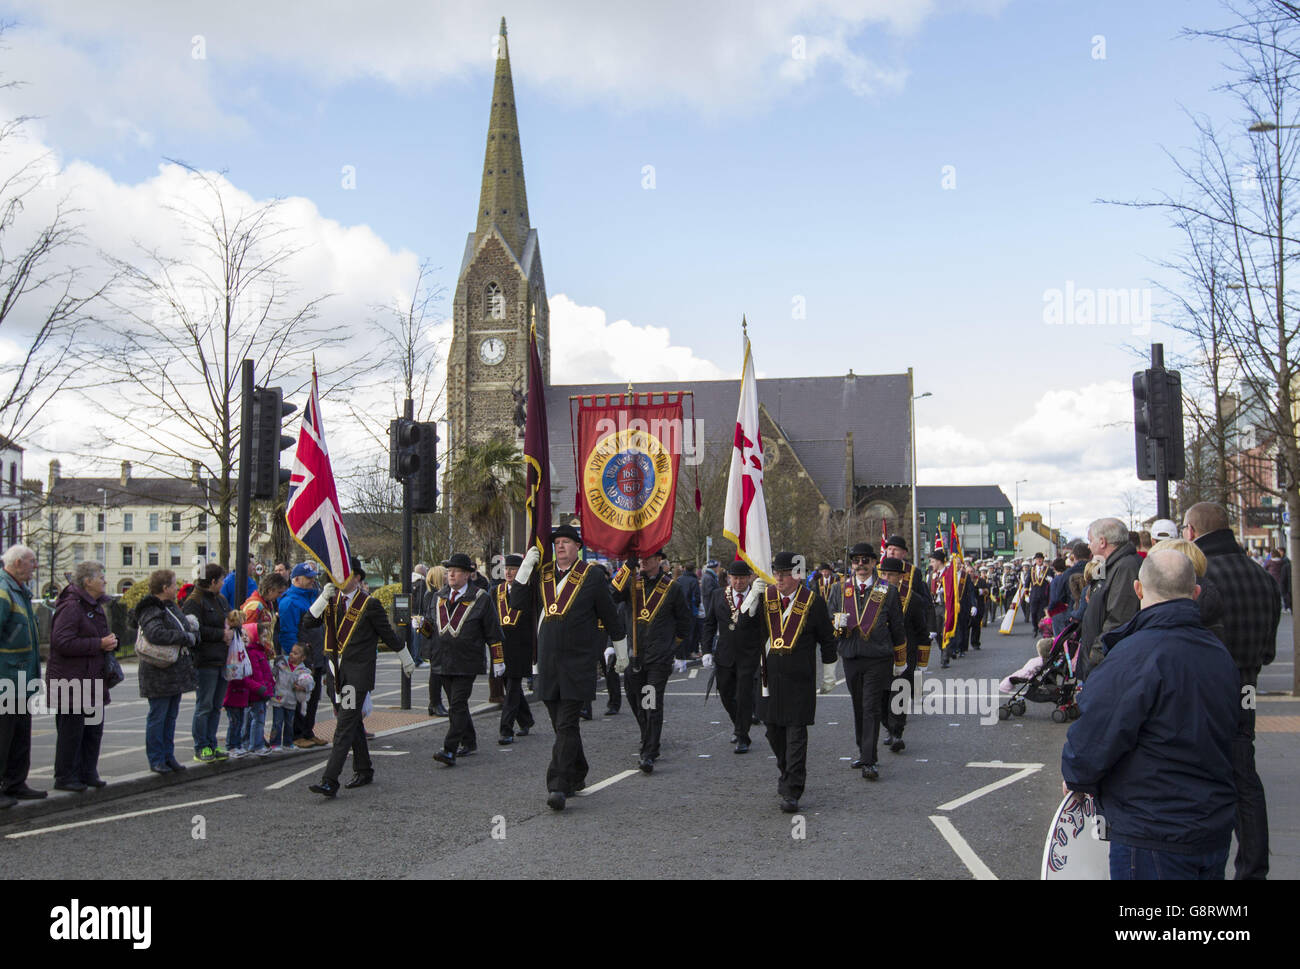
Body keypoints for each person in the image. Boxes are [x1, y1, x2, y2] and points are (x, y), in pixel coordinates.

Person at [1061, 550, 1240, 879]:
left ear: (1138, 589)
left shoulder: (1133, 655)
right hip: (1211, 825)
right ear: (1195, 592)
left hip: (1152, 828)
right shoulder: (1219, 653)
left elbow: (1097, 734)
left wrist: (1076, 775)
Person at [1185, 501, 1281, 880]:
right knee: (1245, 778)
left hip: (1207, 693)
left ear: (1191, 532)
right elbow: (1269, 650)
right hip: (1247, 686)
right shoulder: (1263, 578)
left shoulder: (1199, 578)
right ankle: (1253, 867)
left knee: (1196, 780)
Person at [509, 525, 626, 811]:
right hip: (548, 661)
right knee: (559, 723)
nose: (560, 546)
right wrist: (525, 570)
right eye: (557, 542)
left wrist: (620, 650)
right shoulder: (543, 574)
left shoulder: (592, 576)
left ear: (577, 547)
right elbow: (517, 604)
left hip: (578, 661)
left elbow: (609, 614)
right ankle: (578, 770)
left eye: (566, 542)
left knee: (567, 723)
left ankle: (558, 785)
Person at [305, 557, 415, 796]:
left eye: (345, 575)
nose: (339, 579)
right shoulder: (330, 601)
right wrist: (322, 598)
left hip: (357, 675)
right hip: (335, 674)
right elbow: (308, 623)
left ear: (357, 578)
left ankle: (329, 780)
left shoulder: (369, 604)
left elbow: (387, 633)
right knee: (352, 724)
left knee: (343, 726)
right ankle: (364, 769)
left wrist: (405, 656)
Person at [756, 551, 838, 812]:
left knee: (796, 736)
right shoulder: (765, 598)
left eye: (784, 574)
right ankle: (786, 772)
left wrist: (829, 675)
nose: (778, 578)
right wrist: (749, 600)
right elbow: (747, 633)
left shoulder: (813, 602)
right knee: (773, 732)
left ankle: (792, 790)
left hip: (799, 680)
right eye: (776, 573)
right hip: (769, 679)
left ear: (797, 575)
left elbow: (827, 639)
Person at [827, 543, 906, 780]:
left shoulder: (887, 591)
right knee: (859, 705)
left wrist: (900, 659)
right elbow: (830, 621)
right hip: (851, 656)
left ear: (874, 563)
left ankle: (870, 760)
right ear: (851, 564)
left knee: (871, 706)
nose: (860, 565)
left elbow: (898, 626)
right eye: (856, 561)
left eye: (865, 560)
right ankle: (864, 751)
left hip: (877, 657)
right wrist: (836, 626)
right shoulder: (839, 590)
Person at [611, 549, 691, 772]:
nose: (644, 561)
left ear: (659, 560)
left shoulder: (672, 588)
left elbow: (684, 622)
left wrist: (671, 647)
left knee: (651, 701)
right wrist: (627, 566)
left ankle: (649, 751)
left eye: (648, 557)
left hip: (658, 658)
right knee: (636, 699)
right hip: (634, 654)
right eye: (641, 558)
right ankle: (647, 736)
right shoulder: (631, 584)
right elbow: (612, 595)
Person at [47, 560, 118, 791]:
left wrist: (107, 644)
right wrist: (99, 643)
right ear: (88, 581)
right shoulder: (72, 606)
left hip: (92, 678)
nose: (104, 581)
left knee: (92, 730)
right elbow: (62, 642)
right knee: (72, 732)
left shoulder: (93, 605)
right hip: (72, 681)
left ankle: (88, 772)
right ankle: (66, 776)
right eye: (100, 577)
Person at [427, 553, 503, 766]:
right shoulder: (438, 597)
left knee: (457, 704)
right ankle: (469, 741)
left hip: (467, 661)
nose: (451, 574)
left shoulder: (481, 598)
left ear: (468, 575)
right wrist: (421, 628)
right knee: (456, 705)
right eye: (449, 570)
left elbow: (493, 632)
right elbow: (432, 630)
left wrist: (498, 660)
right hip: (443, 660)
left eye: (456, 571)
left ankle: (449, 749)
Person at [134, 569, 199, 773]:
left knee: (170, 716)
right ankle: (156, 758)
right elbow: (155, 633)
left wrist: (190, 632)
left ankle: (168, 756)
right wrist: (184, 637)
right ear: (164, 588)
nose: (176, 588)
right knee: (158, 716)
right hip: (158, 672)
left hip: (173, 671)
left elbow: (183, 627)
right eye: (173, 584)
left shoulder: (170, 606)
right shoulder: (151, 608)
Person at [703, 559, 764, 753]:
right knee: (726, 693)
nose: (738, 582)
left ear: (749, 578)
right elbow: (709, 624)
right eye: (735, 578)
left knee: (745, 695)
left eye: (742, 578)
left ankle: (742, 735)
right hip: (725, 653)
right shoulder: (718, 595)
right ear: (729, 578)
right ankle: (738, 724)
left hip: (749, 654)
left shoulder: (759, 597)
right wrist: (705, 650)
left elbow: (765, 626)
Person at [881, 536, 935, 752]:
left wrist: (923, 660)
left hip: (906, 646)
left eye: (896, 549)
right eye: (889, 549)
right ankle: (888, 726)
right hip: (881, 650)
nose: (892, 552)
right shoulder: (874, 593)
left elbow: (924, 606)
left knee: (900, 691)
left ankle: (896, 732)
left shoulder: (913, 590)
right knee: (883, 696)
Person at [0, 546, 45, 806]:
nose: (35, 566)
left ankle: (16, 784)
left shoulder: (18, 591)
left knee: (19, 734)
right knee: (4, 736)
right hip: (6, 677)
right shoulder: (4, 591)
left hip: (20, 679)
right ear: (18, 563)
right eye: (32, 561)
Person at [1079, 518, 1142, 674]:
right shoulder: (1113, 565)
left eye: (1090, 540)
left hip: (1108, 663)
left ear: (1102, 542)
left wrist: (1096, 656)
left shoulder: (1125, 567)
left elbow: (1119, 619)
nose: (1089, 546)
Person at [183, 563, 232, 762]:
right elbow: (195, 630)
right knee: (204, 704)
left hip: (222, 658)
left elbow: (229, 619)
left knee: (216, 705)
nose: (222, 583)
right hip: (205, 660)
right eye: (221, 580)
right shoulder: (194, 602)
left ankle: (212, 743)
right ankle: (201, 746)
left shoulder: (219, 599)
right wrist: (221, 634)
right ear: (213, 581)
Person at [277, 563, 327, 748]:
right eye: (308, 577)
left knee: (313, 697)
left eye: (313, 577)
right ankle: (296, 734)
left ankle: (308, 731)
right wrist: (295, 658)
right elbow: (287, 633)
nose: (312, 580)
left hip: (316, 656)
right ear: (296, 579)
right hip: (301, 659)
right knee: (298, 698)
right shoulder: (289, 601)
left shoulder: (313, 598)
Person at [495, 554, 536, 744]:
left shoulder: (528, 591)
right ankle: (526, 719)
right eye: (507, 569)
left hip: (521, 646)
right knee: (510, 685)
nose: (509, 572)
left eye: (513, 569)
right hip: (502, 646)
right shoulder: (497, 591)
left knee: (511, 688)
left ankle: (506, 729)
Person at [420, 564, 451, 717]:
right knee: (436, 673)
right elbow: (431, 619)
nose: (448, 576)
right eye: (445, 574)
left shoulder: (435, 594)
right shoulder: (431, 595)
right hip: (434, 640)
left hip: (437, 640)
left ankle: (435, 703)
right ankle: (435, 703)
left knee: (438, 672)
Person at [270, 643, 312, 751]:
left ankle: (288, 743)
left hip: (291, 701)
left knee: (289, 723)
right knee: (277, 722)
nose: (292, 655)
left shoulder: (304, 671)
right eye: (292, 652)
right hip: (278, 698)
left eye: (296, 653)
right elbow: (271, 674)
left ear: (303, 658)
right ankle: (275, 743)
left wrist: (303, 688)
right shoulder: (281, 663)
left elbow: (310, 684)